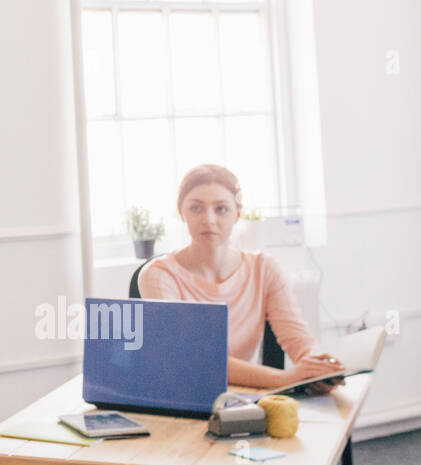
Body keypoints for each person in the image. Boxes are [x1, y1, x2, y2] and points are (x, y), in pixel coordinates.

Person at [137, 164, 344, 393]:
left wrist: (317, 369)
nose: (209, 219)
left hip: (242, 398)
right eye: (196, 208)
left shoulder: (264, 268)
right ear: (181, 212)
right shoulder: (158, 275)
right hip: (180, 396)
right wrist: (284, 379)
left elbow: (299, 341)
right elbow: (190, 358)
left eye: (221, 209)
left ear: (237, 213)